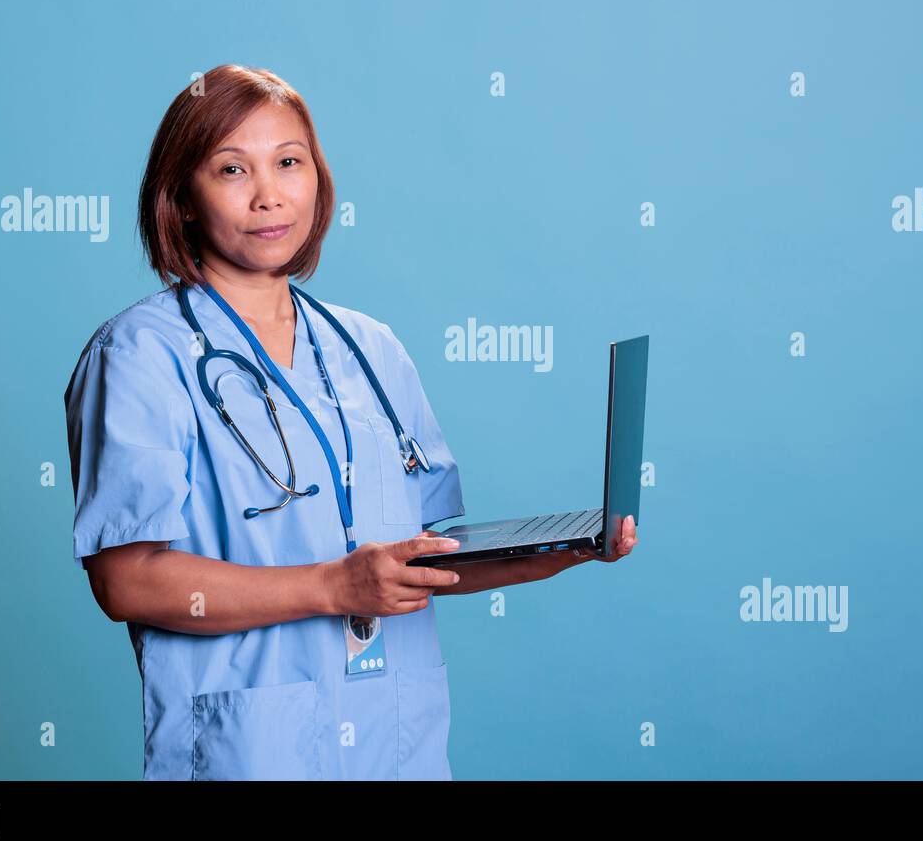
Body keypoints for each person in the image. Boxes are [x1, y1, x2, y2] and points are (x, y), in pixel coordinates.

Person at [63, 64, 639, 781]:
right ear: (180, 199)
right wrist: (332, 587)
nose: (269, 194)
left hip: (394, 746)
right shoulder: (140, 356)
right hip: (250, 752)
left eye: (289, 162)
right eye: (232, 169)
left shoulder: (370, 348)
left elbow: (420, 561)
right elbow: (126, 582)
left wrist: (564, 549)